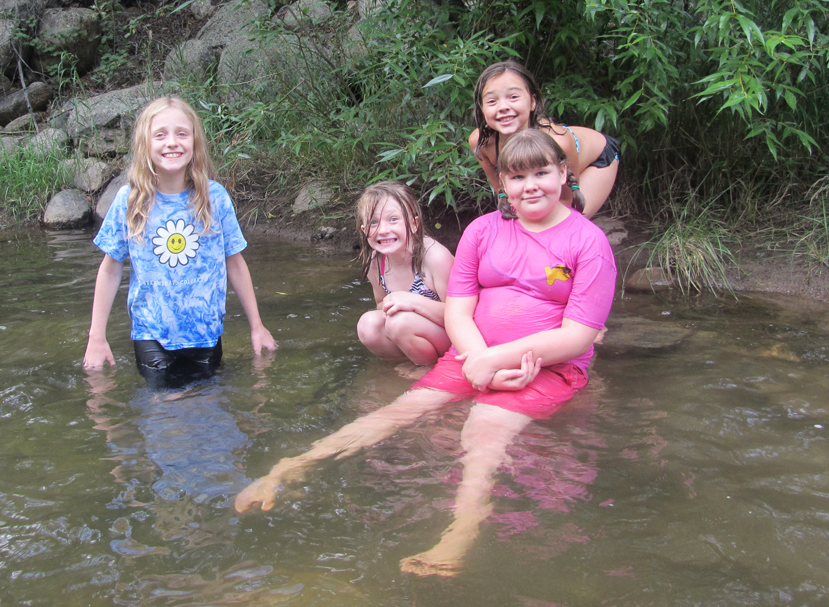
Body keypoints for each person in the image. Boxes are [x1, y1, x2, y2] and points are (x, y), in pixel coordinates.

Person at [235, 129, 616, 576]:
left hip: (544, 366)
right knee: (400, 410)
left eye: (541, 173)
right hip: (472, 354)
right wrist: (480, 362)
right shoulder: (483, 230)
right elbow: (458, 310)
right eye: (517, 176)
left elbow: (579, 335)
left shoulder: (589, 242)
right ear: (504, 185)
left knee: (485, 428)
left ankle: (459, 535)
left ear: (564, 174)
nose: (530, 185)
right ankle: (289, 467)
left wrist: (494, 363)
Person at [84, 97, 277, 387]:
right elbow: (110, 270)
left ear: (195, 143)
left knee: (206, 407)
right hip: (151, 333)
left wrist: (257, 326)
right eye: (160, 135)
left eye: (182, 134)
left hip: (206, 333)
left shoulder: (215, 198)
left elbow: (235, 262)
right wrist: (96, 338)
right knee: (163, 410)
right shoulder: (130, 201)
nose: (172, 142)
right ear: (145, 145)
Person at [467, 59, 620, 218]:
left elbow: (567, 199)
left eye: (513, 97)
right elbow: (503, 193)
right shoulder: (482, 142)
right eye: (492, 101)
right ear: (481, 108)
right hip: (556, 158)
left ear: (532, 102)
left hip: (598, 158)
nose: (503, 107)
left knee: (570, 222)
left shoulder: (559, 143)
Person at [355, 182, 455, 367]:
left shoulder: (435, 258)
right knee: (368, 325)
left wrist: (413, 303)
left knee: (400, 322)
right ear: (365, 230)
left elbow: (461, 315)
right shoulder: (376, 263)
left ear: (414, 224)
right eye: (374, 222)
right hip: (414, 330)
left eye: (393, 219)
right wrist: (392, 307)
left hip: (454, 337)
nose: (383, 230)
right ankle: (410, 361)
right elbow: (380, 304)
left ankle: (429, 367)